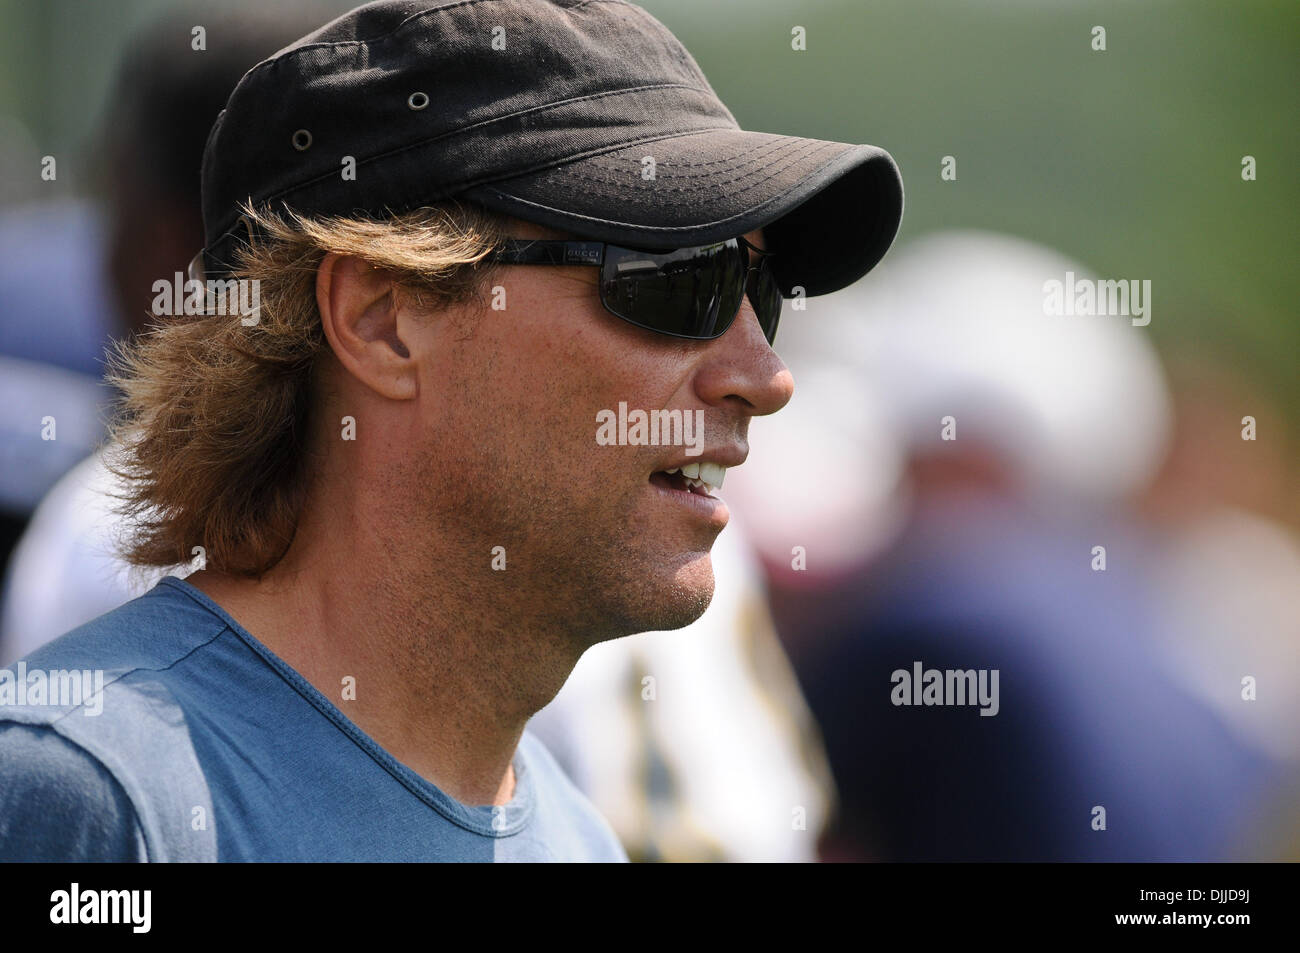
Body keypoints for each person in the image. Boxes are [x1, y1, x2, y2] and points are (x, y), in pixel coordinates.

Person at [0, 0, 902, 861]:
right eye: (678, 278)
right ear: (382, 319)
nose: (766, 378)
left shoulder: (577, 836)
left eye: (761, 292)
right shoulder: (86, 796)